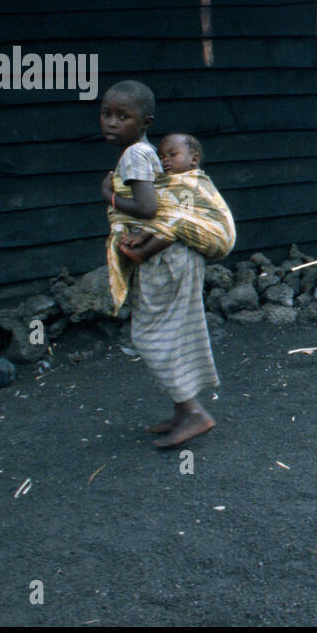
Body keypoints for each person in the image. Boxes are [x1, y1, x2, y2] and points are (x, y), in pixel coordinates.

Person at [99, 81, 217, 448]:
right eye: (107, 114)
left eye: (123, 116)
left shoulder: (136, 155)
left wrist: (110, 196)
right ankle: (184, 411)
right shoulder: (146, 152)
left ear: (145, 121)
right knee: (174, 332)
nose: (112, 123)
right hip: (176, 255)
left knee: (149, 336)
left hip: (165, 259)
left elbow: (148, 208)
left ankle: (194, 412)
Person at [116, 133, 228, 264]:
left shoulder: (190, 184)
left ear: (194, 160)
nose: (165, 160)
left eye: (173, 155)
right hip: (210, 236)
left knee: (177, 221)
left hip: (218, 237)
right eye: (161, 157)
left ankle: (143, 253)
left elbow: (179, 216)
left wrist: (142, 235)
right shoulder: (178, 182)